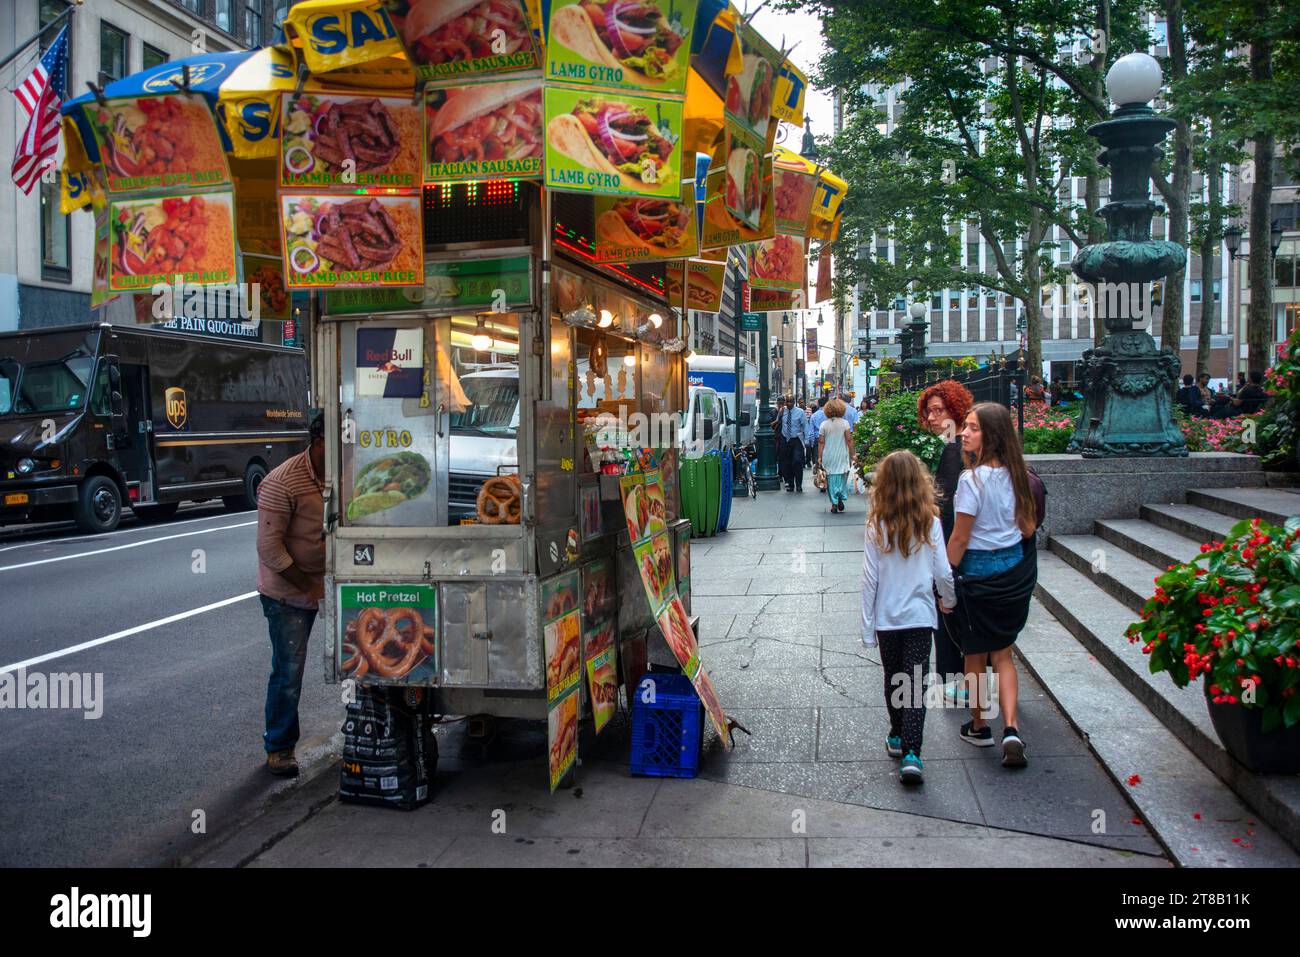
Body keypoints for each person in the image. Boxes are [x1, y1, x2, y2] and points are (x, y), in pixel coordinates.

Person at [947, 402, 1039, 769]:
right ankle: (1012, 728)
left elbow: (960, 538)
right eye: (965, 426)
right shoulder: (1020, 476)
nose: (963, 433)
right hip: (1013, 571)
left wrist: (942, 580)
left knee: (975, 654)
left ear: (992, 436)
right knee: (1004, 653)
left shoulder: (971, 481)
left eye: (972, 428)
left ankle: (981, 725)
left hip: (978, 575)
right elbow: (1029, 528)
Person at [861, 450, 957, 785]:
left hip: (888, 618)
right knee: (914, 683)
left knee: (893, 678)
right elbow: (943, 571)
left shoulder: (876, 525)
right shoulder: (930, 521)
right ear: (921, 483)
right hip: (919, 616)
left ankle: (898, 735)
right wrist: (949, 598)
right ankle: (913, 753)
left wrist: (867, 626)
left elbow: (869, 579)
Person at [257, 412, 327, 777]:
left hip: (331, 581)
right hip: (288, 593)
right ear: (318, 443)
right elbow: (270, 551)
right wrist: (309, 587)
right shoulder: (281, 483)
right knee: (289, 671)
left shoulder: (344, 472)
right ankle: (280, 747)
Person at [917, 380, 975, 703]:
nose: (933, 418)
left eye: (938, 410)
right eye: (929, 412)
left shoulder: (954, 451)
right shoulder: (953, 447)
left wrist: (945, 561)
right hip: (958, 548)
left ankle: (959, 683)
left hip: (956, 549)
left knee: (951, 616)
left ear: (955, 410)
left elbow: (951, 509)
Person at [818, 398, 855, 513]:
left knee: (830, 479)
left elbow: (821, 442)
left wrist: (819, 457)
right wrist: (853, 454)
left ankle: (834, 503)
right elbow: (849, 440)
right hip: (841, 454)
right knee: (842, 477)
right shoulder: (845, 423)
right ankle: (840, 497)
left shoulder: (824, 424)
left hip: (828, 455)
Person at [778, 395, 807, 491]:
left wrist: (806, 440)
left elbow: (805, 426)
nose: (789, 403)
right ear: (785, 402)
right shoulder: (782, 411)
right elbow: (778, 422)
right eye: (788, 401)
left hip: (796, 439)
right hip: (785, 439)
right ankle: (790, 484)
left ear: (794, 402)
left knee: (797, 461)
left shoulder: (800, 412)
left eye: (791, 401)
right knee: (786, 463)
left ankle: (798, 484)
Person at [804, 400, 821, 470]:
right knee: (814, 453)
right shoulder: (811, 415)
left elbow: (811, 429)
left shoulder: (813, 416)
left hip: (815, 437)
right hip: (816, 436)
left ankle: (815, 465)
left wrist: (811, 440)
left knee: (815, 453)